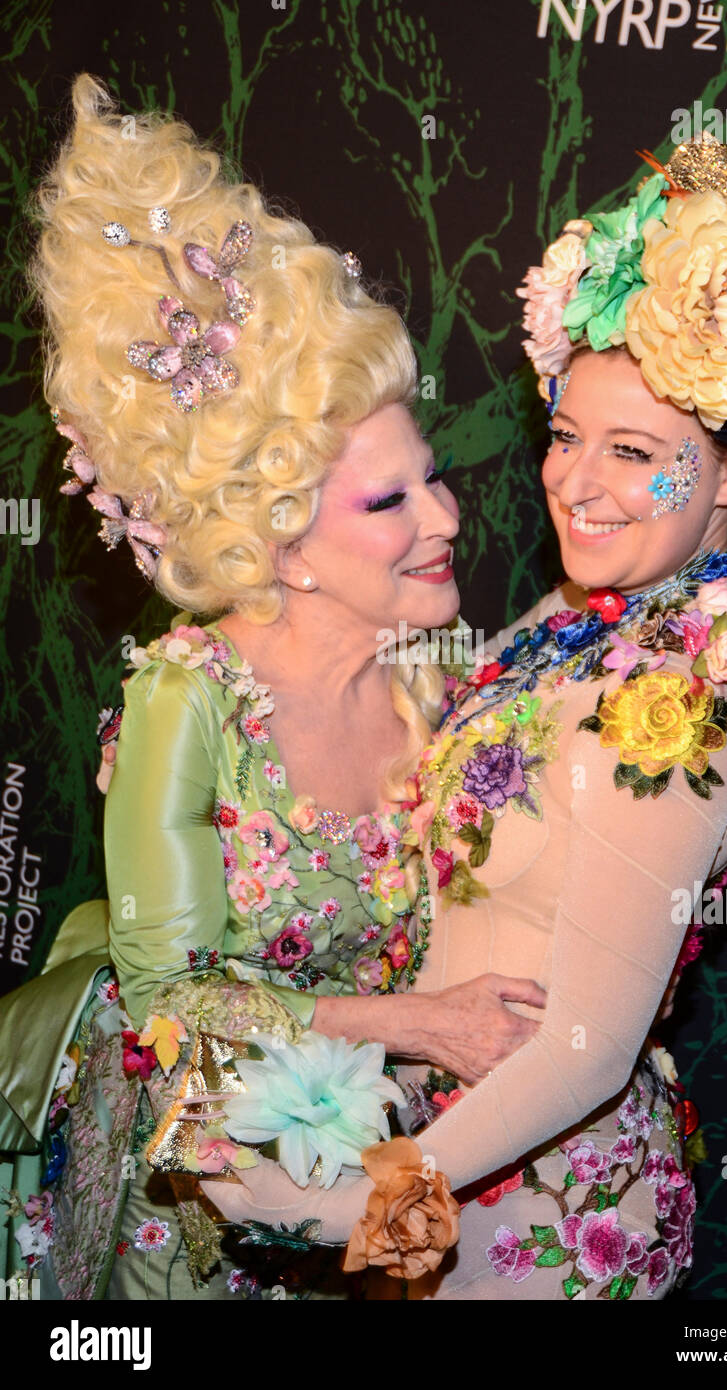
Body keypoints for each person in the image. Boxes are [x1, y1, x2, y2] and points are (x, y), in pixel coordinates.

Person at [193, 118, 727, 1300]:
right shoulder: (585, 614)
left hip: (543, 1211)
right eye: (565, 433)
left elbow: (584, 1052)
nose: (575, 482)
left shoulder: (679, 700)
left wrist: (365, 1204)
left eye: (635, 451)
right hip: (453, 1161)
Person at [0, 74, 544, 1301]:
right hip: (196, 1199)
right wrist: (422, 1021)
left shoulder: (446, 680)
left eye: (433, 476)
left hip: (381, 1178)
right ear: (282, 542)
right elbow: (171, 999)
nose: (447, 519)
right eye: (389, 501)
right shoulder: (186, 700)